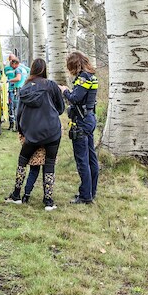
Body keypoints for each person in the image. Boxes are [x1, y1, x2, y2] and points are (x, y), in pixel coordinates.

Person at [6, 57, 65, 210]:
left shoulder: (24, 88)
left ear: (31, 69)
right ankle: (48, 200)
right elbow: (61, 108)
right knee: (49, 164)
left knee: (22, 161)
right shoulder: (51, 86)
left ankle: (16, 194)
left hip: (32, 134)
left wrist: (22, 131)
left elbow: (19, 113)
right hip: (52, 131)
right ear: (44, 69)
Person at [62, 51, 99, 204]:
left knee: (82, 159)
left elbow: (75, 98)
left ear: (75, 64)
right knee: (91, 157)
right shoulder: (92, 76)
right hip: (89, 118)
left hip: (82, 122)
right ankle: (91, 191)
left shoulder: (83, 78)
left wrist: (64, 91)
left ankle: (85, 195)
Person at [3, 54, 28, 131]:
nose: (10, 63)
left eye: (11, 62)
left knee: (15, 107)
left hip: (16, 90)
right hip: (14, 89)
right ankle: (14, 125)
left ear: (15, 63)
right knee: (13, 107)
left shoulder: (18, 69)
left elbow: (18, 78)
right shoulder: (9, 68)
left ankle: (16, 126)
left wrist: (8, 80)